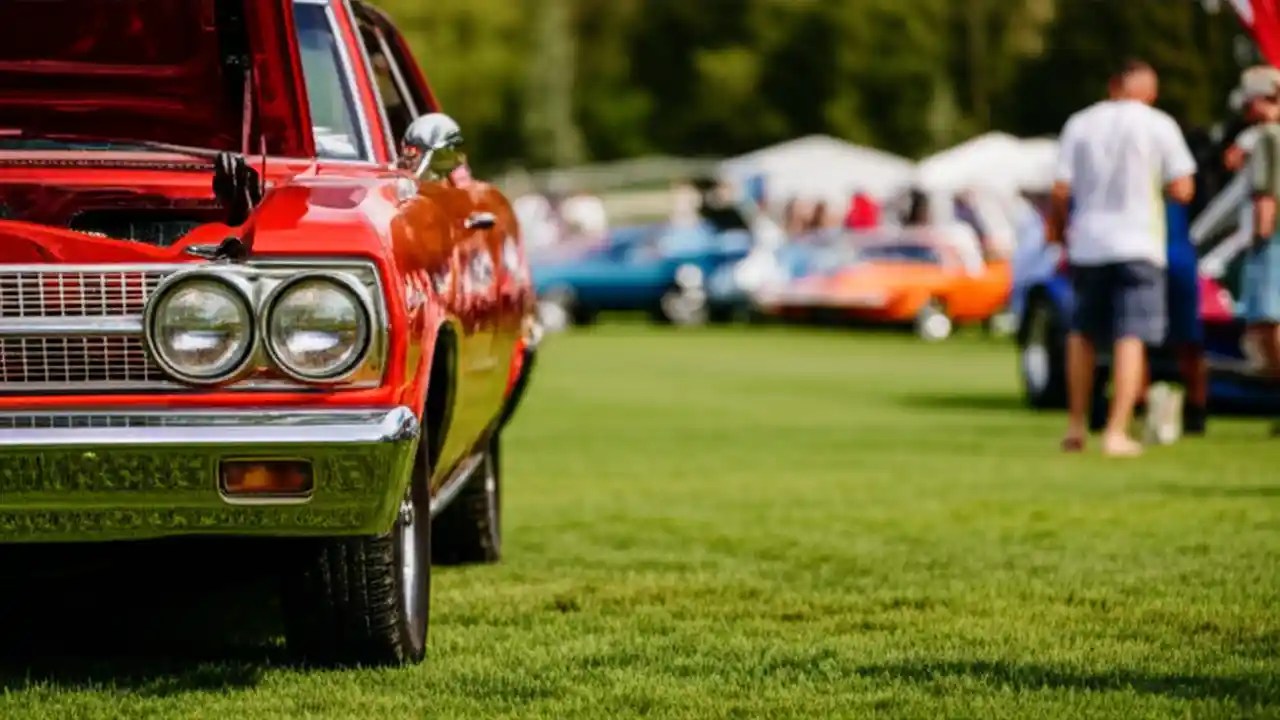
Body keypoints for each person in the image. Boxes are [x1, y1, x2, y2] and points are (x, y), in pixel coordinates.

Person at [1049, 59, 1197, 457]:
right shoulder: (1157, 124)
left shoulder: (1080, 123)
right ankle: (1116, 430)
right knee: (1130, 336)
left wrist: (1060, 232)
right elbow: (1183, 186)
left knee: (1082, 334)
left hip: (1089, 243)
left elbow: (1061, 191)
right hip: (1138, 243)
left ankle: (1076, 425)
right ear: (1145, 91)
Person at [1231, 66, 1280, 388]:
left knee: (1269, 321)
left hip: (1273, 238)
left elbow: (1266, 194)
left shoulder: (1266, 138)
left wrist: (1258, 237)